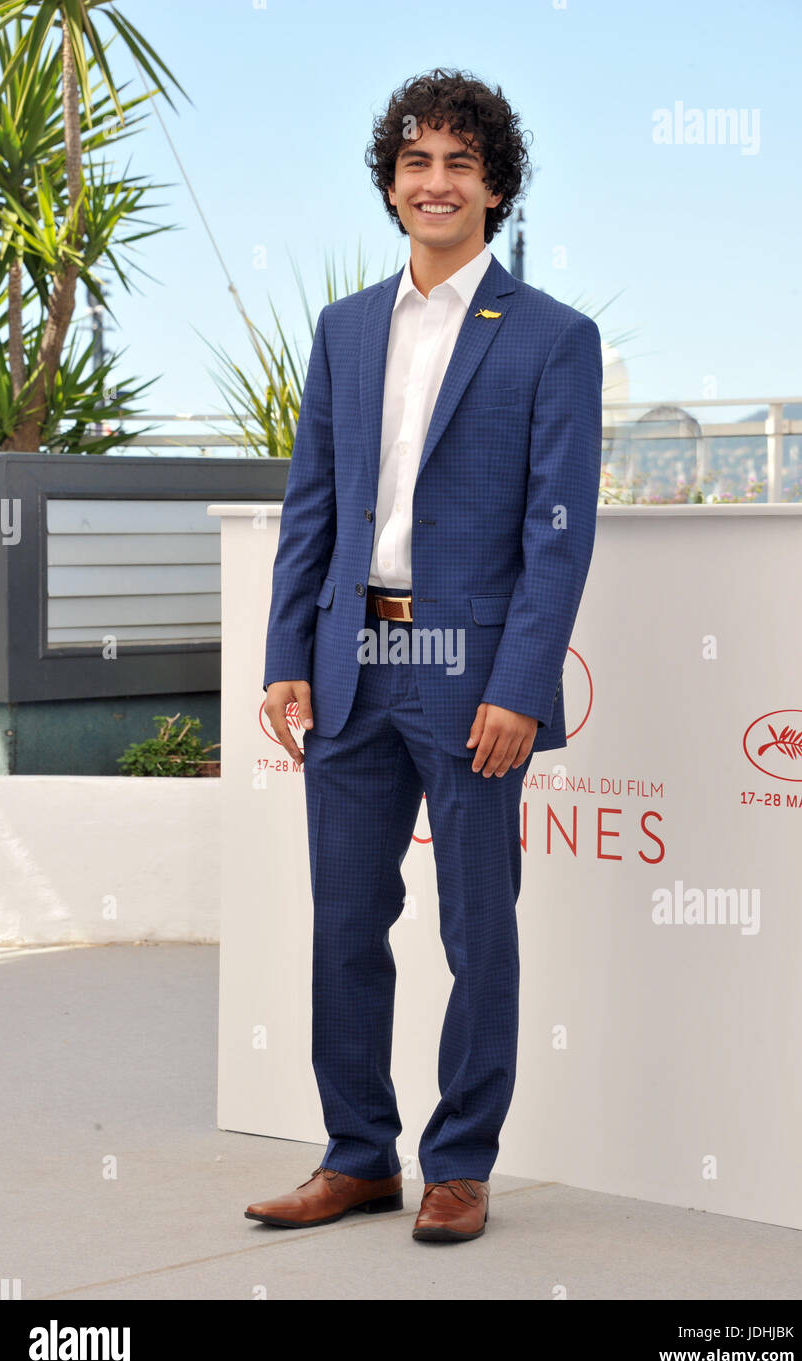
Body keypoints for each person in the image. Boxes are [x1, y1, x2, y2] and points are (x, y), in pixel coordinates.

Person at [246, 67, 602, 1243]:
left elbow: (559, 533)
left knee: (474, 929)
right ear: (391, 185)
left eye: (459, 162)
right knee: (345, 921)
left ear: (494, 185)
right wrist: (286, 650)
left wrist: (518, 683)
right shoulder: (346, 330)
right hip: (350, 663)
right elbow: (313, 504)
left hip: (470, 677)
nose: (435, 181)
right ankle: (357, 1155)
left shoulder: (552, 337)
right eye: (415, 162)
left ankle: (460, 1162)